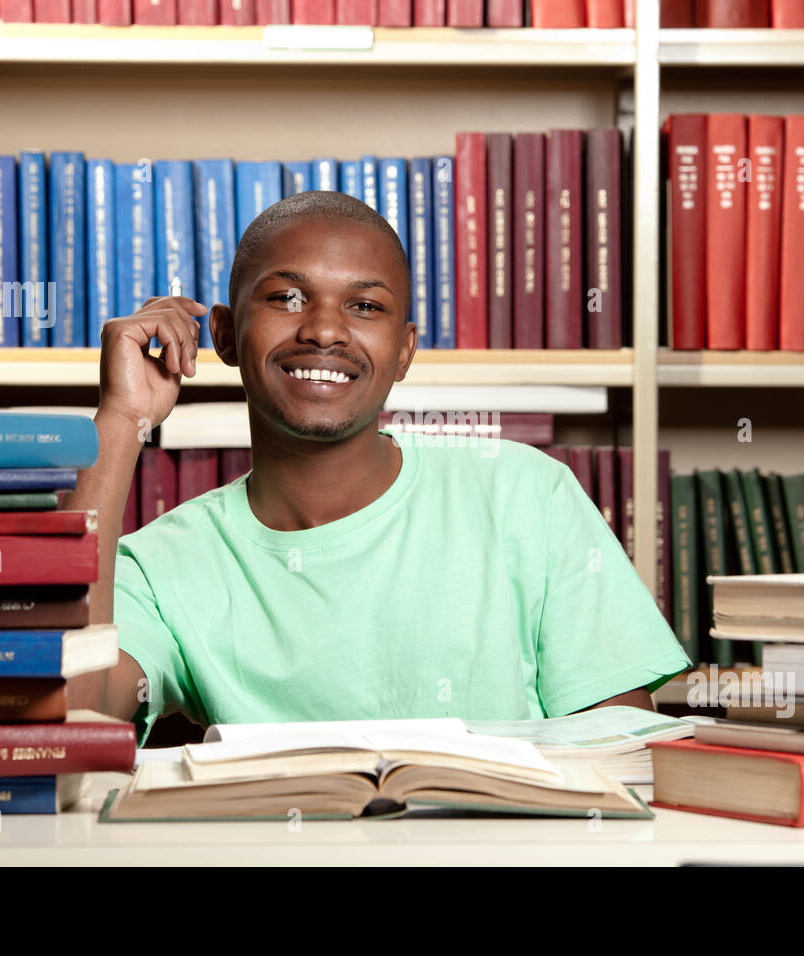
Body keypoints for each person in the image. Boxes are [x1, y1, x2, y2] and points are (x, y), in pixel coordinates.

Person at [64, 190, 689, 746]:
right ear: (224, 335)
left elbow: (625, 759)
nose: (325, 330)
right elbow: (65, 727)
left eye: (365, 306)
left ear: (405, 350)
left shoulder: (528, 494)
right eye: (286, 297)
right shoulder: (160, 566)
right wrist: (121, 421)